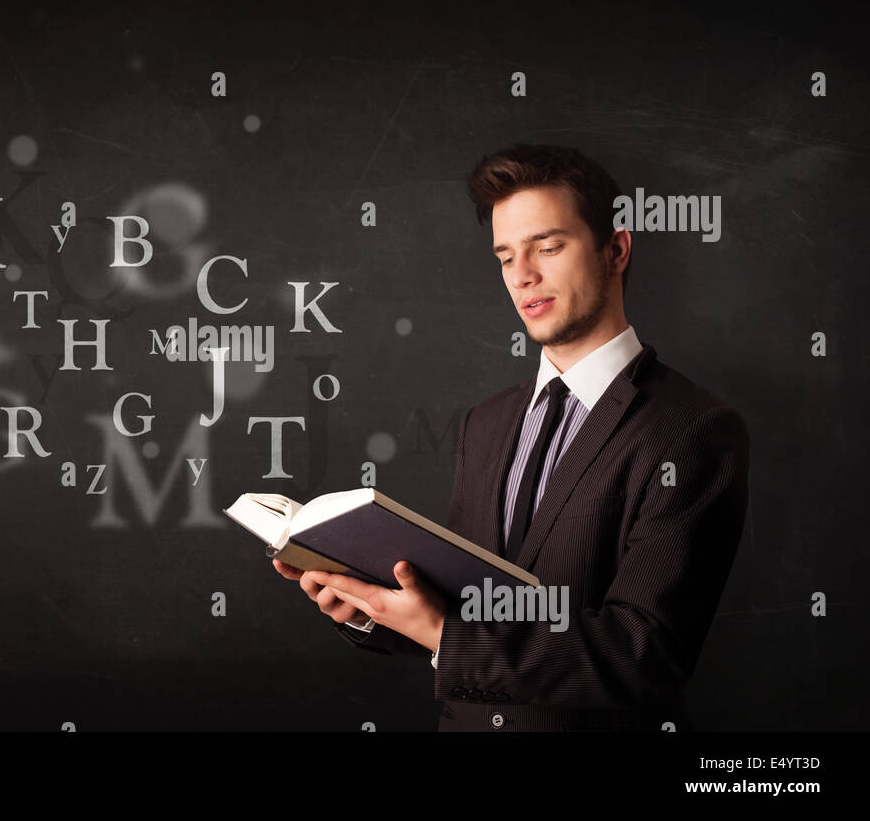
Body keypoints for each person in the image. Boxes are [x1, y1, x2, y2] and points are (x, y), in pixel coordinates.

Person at [273, 143, 750, 731]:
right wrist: (369, 608)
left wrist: (442, 631)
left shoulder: (694, 430)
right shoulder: (486, 423)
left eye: (548, 247)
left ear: (617, 248)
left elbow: (643, 656)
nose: (524, 275)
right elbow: (466, 609)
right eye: (505, 257)